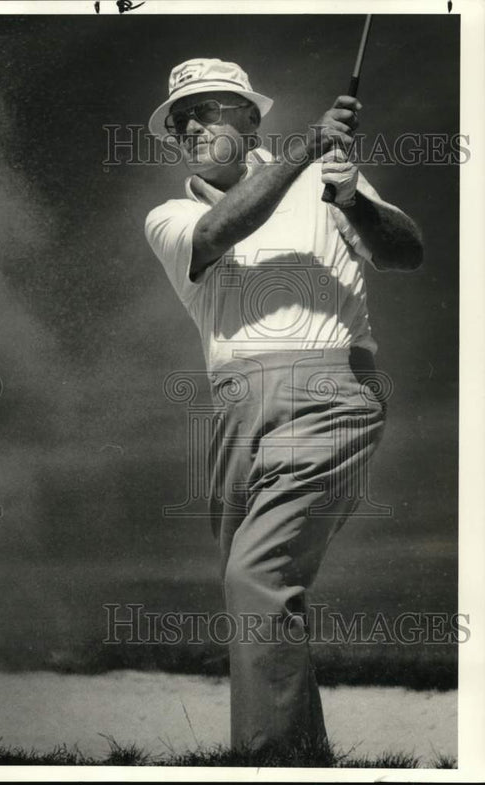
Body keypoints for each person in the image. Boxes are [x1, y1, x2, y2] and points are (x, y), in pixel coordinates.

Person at [144, 58, 423, 755]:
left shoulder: (333, 184)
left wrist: (353, 198)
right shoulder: (171, 216)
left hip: (333, 395)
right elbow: (221, 232)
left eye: (214, 108)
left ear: (251, 119)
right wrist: (306, 148)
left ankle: (267, 764)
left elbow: (406, 253)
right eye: (182, 118)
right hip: (235, 410)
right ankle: (304, 757)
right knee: (256, 600)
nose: (194, 125)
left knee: (257, 576)